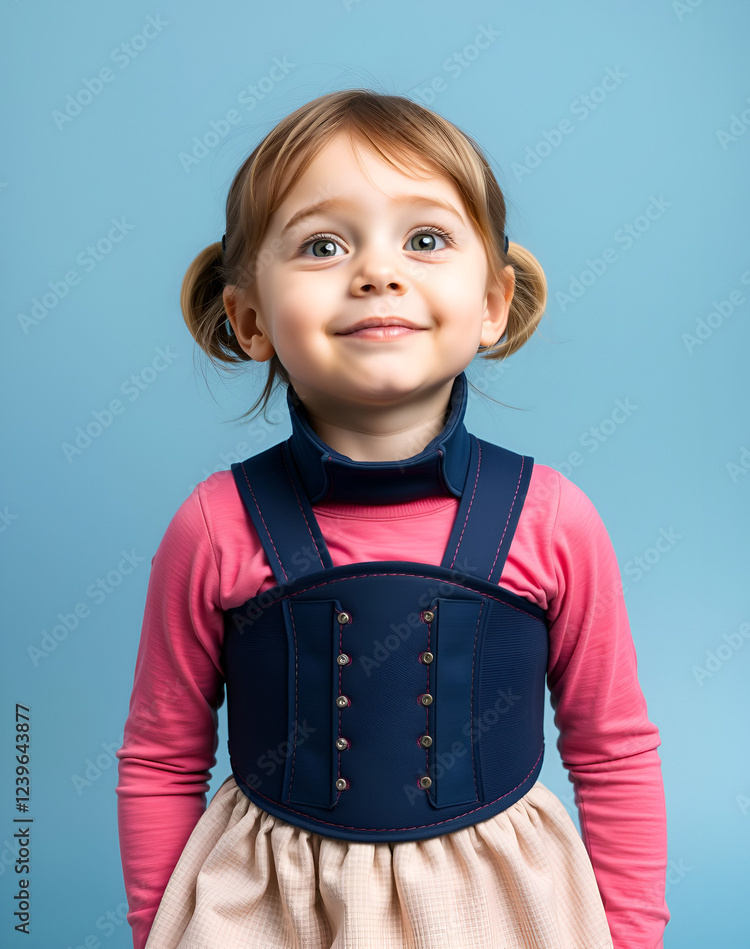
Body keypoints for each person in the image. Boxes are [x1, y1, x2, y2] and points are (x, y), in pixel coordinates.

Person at [116, 88, 669, 949]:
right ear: (250, 319)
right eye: (323, 245)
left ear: (492, 304)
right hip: (269, 910)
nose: (378, 272)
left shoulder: (553, 519)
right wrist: (158, 932)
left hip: (500, 911)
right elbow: (162, 757)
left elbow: (614, 750)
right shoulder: (215, 526)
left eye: (425, 239)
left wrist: (632, 940)